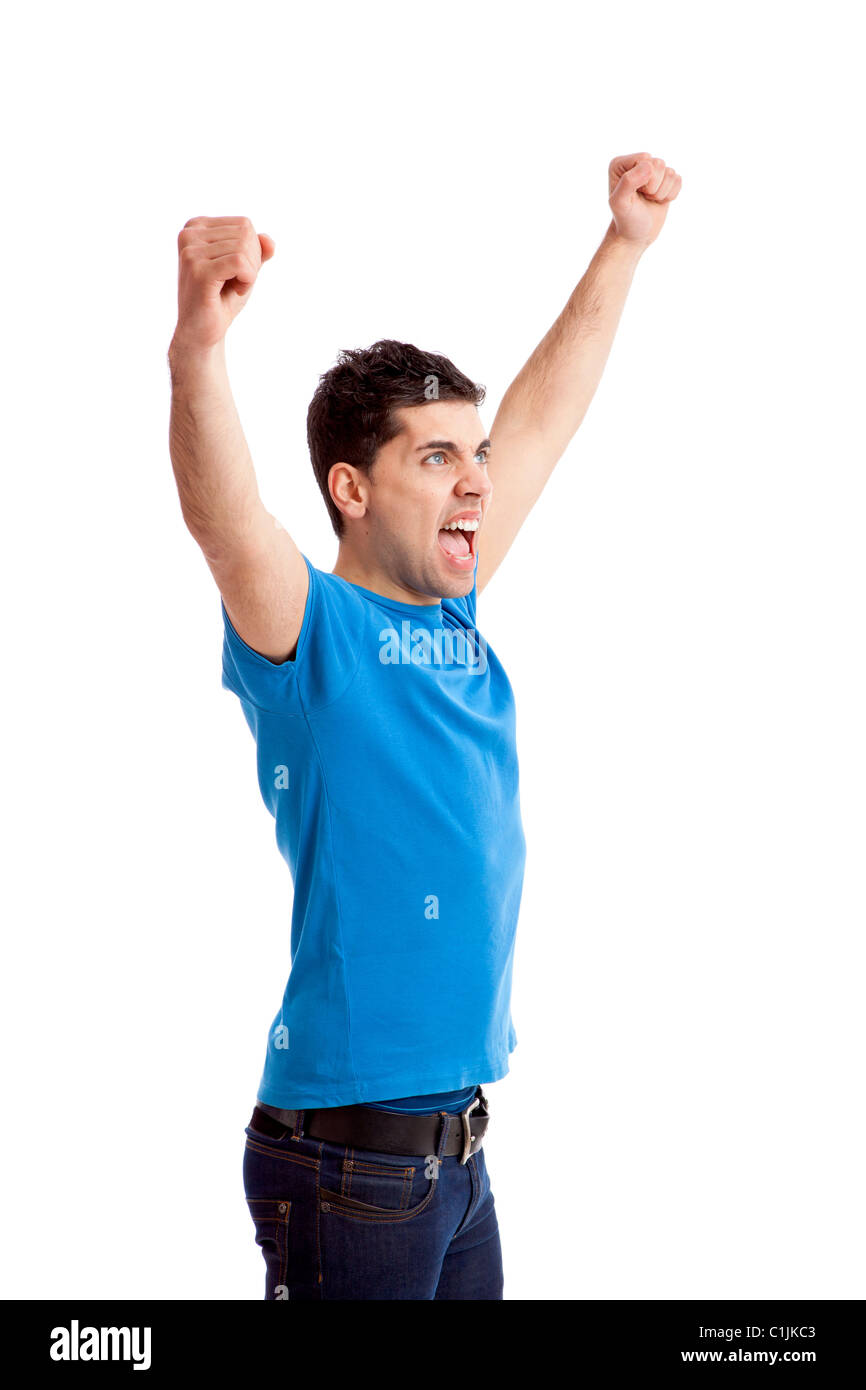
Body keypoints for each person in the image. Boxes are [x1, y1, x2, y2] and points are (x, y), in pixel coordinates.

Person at [166, 152, 681, 1300]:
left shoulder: (458, 612)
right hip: (347, 1164)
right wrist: (198, 350)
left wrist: (624, 243)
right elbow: (222, 515)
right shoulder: (312, 630)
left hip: (456, 1159)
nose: (475, 481)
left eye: (473, 455)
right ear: (352, 489)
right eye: (436, 456)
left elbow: (545, 414)